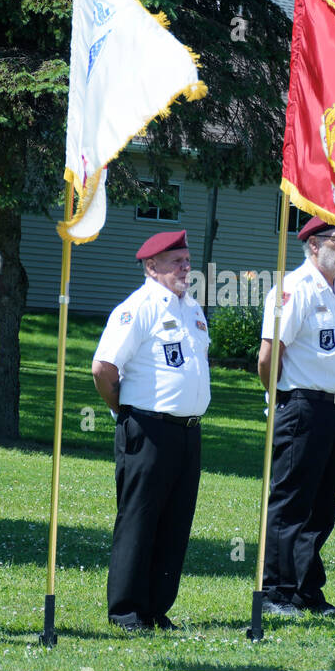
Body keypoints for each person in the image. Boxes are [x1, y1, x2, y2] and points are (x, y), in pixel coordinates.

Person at [92, 230, 210, 632]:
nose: (185, 267)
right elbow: (104, 367)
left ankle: (157, 608)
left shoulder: (191, 309)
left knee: (175, 523)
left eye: (187, 259)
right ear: (151, 267)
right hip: (147, 429)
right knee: (140, 520)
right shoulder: (139, 308)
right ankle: (126, 610)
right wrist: (124, 411)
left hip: (187, 432)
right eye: (176, 260)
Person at [258, 216, 335, 617]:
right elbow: (268, 356)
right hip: (301, 405)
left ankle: (304, 589)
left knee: (322, 505)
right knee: (290, 502)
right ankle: (274, 592)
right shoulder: (293, 289)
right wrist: (279, 399)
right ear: (313, 245)